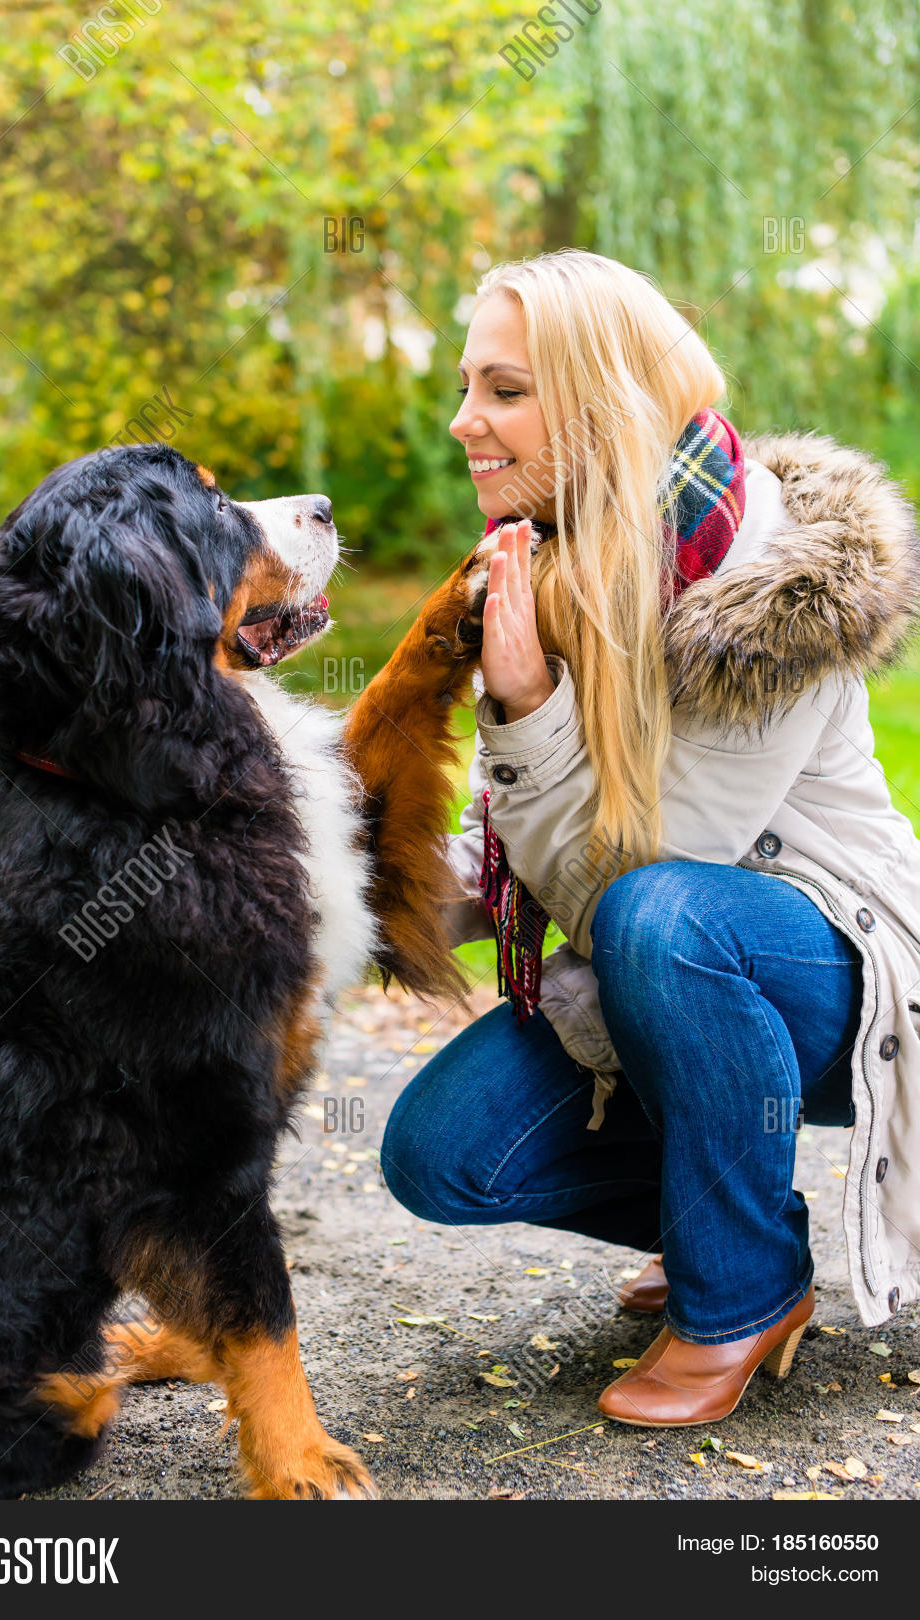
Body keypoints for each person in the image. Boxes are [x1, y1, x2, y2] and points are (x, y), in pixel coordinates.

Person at [379, 248, 920, 1427]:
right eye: (468, 384)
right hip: (664, 971)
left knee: (657, 920)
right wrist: (346, 891)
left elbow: (642, 867)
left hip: (832, 961)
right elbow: (508, 847)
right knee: (438, 1154)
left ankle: (733, 1295)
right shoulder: (556, 555)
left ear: (600, 398)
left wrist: (525, 715)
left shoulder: (762, 587)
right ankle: (734, 1224)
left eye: (505, 390)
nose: (464, 420)